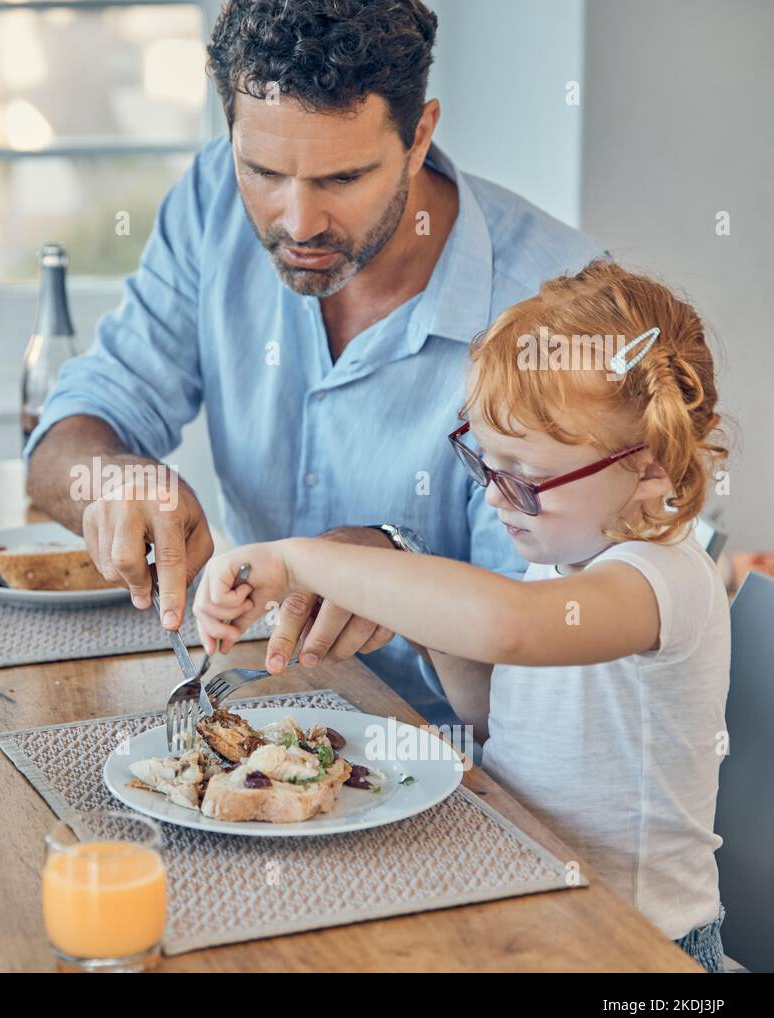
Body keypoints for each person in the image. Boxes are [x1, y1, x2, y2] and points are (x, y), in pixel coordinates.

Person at [24, 0, 603, 724]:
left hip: (463, 766)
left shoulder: (560, 314)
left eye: (341, 180)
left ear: (420, 136)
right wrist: (113, 479)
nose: (297, 223)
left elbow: (542, 693)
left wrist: (390, 564)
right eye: (262, 171)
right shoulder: (209, 202)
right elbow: (65, 436)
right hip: (267, 712)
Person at [194, 260, 731, 971]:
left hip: (642, 950)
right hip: (537, 899)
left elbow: (509, 623)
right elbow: (490, 715)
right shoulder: (563, 548)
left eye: (527, 479)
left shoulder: (662, 580)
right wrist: (421, 622)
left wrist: (300, 560)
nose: (497, 498)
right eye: (486, 465)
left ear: (653, 464)